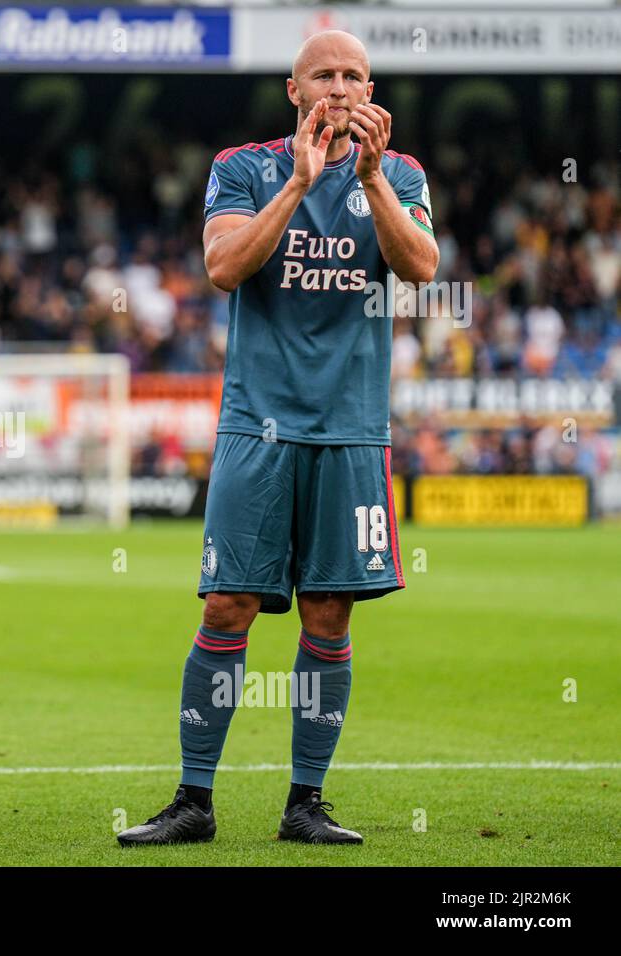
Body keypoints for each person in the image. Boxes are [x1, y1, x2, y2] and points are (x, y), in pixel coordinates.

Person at [118, 30, 438, 847]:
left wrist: (367, 183)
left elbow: (423, 267)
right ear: (293, 91)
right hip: (256, 424)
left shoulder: (398, 174)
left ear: (371, 91)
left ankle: (307, 803)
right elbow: (225, 267)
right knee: (228, 605)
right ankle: (193, 800)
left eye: (354, 76)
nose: (340, 88)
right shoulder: (242, 168)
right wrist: (299, 184)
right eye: (323, 76)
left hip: (353, 433)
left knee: (330, 614)